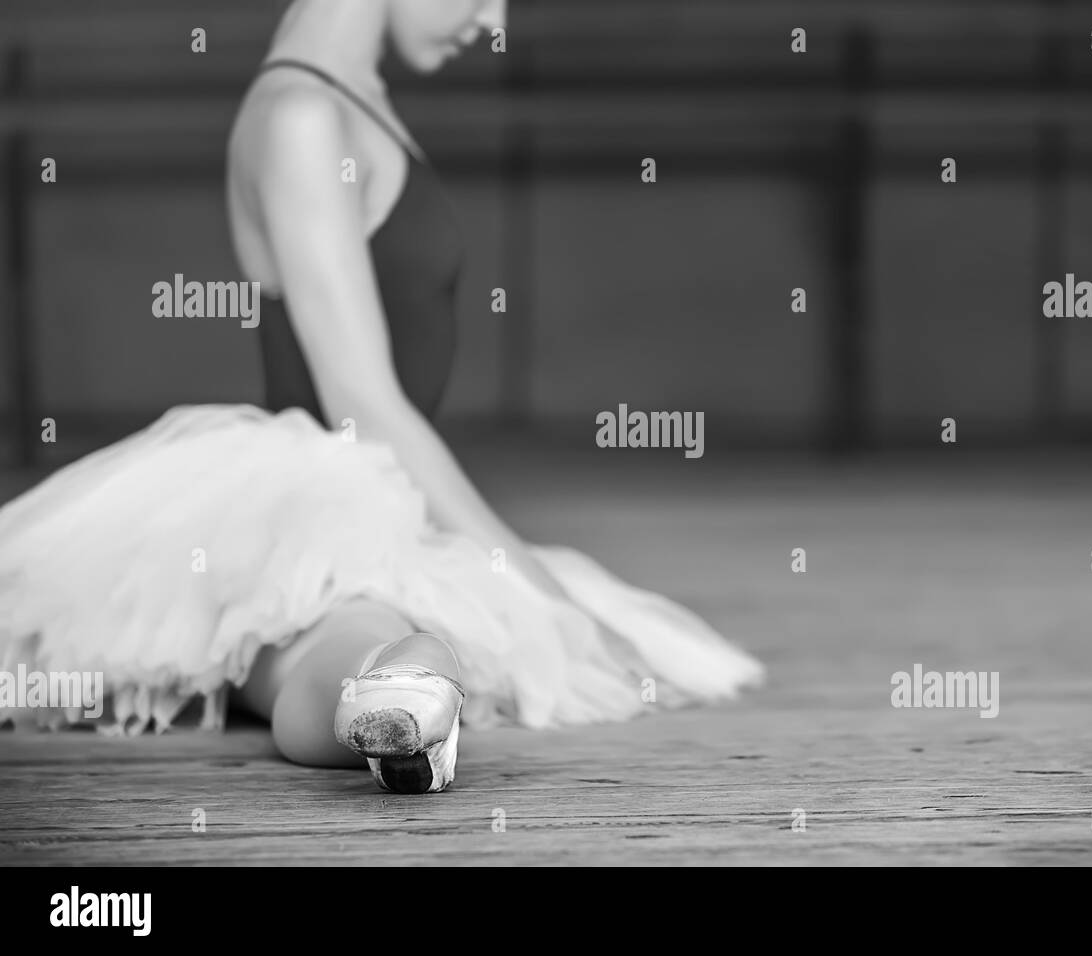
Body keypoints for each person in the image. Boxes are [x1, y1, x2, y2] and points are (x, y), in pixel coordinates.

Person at [0, 0, 763, 794]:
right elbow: (362, 399)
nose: (491, 17)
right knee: (349, 623)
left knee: (351, 626)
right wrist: (543, 590)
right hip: (328, 479)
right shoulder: (304, 112)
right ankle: (398, 690)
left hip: (370, 484)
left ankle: (402, 689)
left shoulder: (344, 99)